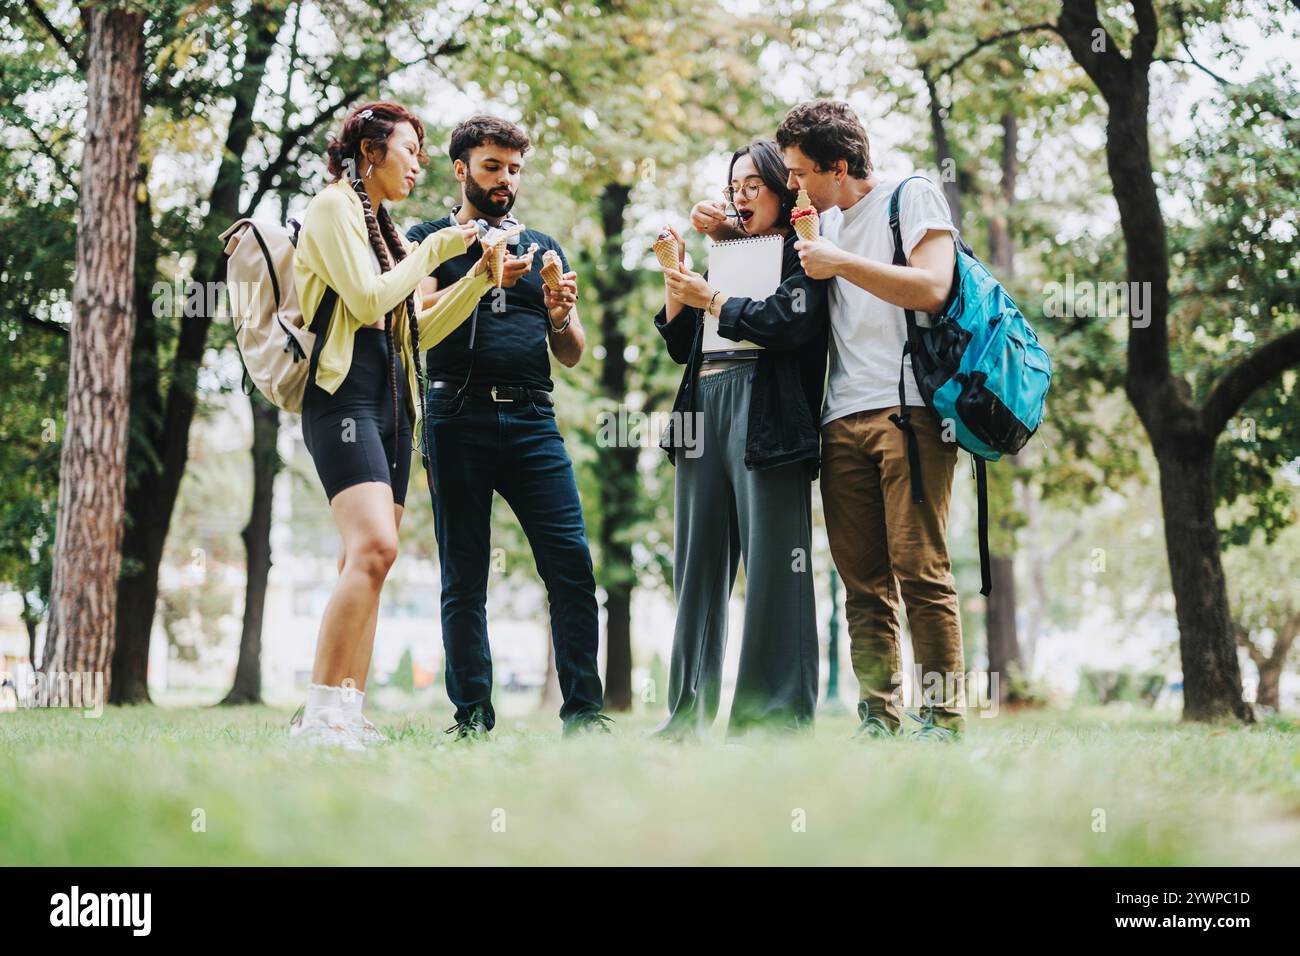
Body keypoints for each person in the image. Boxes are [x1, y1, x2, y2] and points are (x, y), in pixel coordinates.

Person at [289, 101, 496, 750]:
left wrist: (479, 280)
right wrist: (437, 246)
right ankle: (317, 715)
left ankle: (348, 710)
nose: (420, 163)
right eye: (411, 150)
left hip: (393, 402)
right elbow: (367, 299)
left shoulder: (387, 228)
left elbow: (416, 328)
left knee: (368, 561)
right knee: (375, 547)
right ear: (371, 152)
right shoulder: (332, 208)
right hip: (342, 399)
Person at [406, 115, 610, 739]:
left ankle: (585, 714)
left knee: (572, 565)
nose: (505, 180)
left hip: (532, 418)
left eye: (514, 169)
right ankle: (471, 716)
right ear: (461, 169)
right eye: (492, 167)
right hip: (455, 415)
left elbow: (572, 352)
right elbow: (418, 315)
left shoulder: (543, 246)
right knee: (463, 575)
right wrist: (478, 272)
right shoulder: (428, 237)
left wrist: (558, 315)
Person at [775, 99, 966, 740]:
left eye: (800, 173)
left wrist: (840, 261)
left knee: (921, 572)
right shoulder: (815, 220)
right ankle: (879, 717)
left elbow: (935, 287)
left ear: (838, 164)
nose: (792, 186)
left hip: (909, 410)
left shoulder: (909, 196)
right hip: (840, 419)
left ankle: (943, 719)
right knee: (863, 584)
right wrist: (717, 225)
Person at [649, 139, 830, 740]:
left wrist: (715, 298)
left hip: (768, 409)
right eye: (735, 185)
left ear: (784, 189)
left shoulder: (805, 249)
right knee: (696, 565)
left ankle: (771, 717)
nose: (741, 195)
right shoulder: (725, 248)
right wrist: (679, 283)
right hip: (702, 401)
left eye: (754, 184)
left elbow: (793, 322)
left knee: (777, 563)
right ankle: (684, 718)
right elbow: (681, 345)